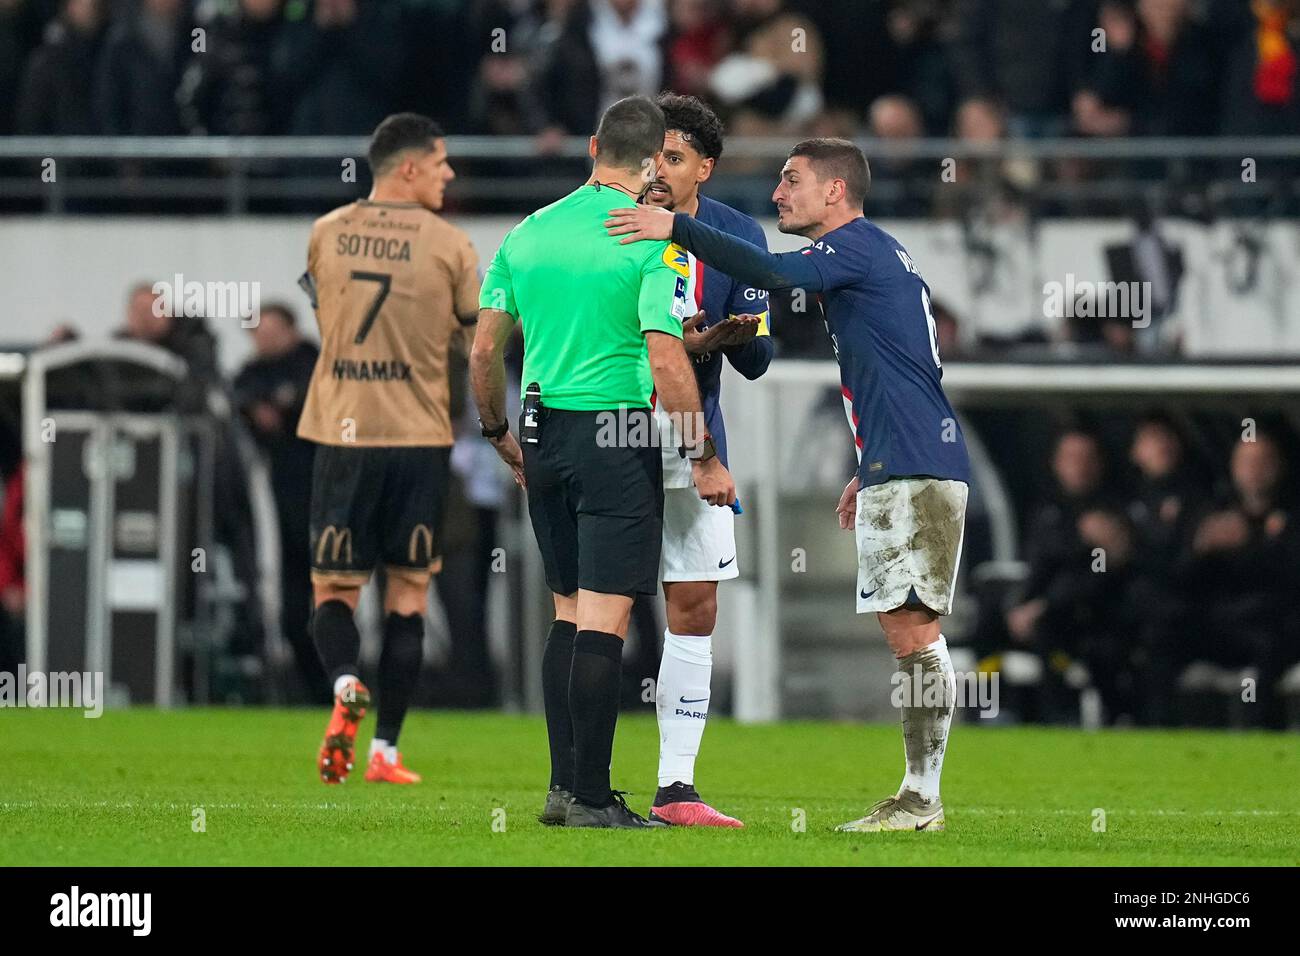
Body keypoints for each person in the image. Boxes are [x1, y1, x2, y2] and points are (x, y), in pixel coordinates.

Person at [607, 137, 969, 832]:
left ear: (836, 192)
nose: (778, 194)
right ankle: (918, 795)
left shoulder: (856, 246)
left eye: (792, 180)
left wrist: (676, 226)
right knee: (909, 627)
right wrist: (871, 466)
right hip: (905, 459)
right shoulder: (879, 256)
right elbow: (905, 371)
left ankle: (922, 799)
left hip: (918, 465)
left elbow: (769, 270)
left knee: (914, 630)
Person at [472, 95, 735, 829]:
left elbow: (483, 349)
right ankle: (591, 797)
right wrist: (703, 453)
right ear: (655, 162)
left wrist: (498, 432)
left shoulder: (528, 232)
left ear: (592, 146)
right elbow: (664, 354)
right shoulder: (652, 239)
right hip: (615, 429)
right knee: (606, 621)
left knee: (568, 612)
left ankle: (563, 788)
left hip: (539, 428)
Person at [297, 113, 479, 784]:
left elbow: (326, 318)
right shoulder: (452, 245)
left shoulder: (327, 231)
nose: (449, 174)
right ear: (408, 168)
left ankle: (345, 681)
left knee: (333, 589)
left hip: (344, 434)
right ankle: (387, 751)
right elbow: (473, 344)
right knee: (408, 595)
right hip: (420, 441)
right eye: (440, 164)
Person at [641, 92, 770, 828]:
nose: (659, 169)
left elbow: (759, 353)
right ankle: (577, 784)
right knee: (593, 606)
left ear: (705, 169)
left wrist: (726, 336)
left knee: (694, 606)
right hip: (612, 435)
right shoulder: (610, 224)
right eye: (653, 153)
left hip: (695, 443)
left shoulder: (734, 235)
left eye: (676, 157)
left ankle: (675, 788)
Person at [232, 302, 326, 704]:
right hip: (284, 510)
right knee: (292, 608)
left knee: (331, 598)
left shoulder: (316, 365)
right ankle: (315, 690)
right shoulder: (250, 376)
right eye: (258, 333)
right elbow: (239, 397)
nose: (264, 340)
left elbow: (305, 400)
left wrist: (279, 408)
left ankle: (337, 684)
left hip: (326, 500)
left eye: (272, 331)